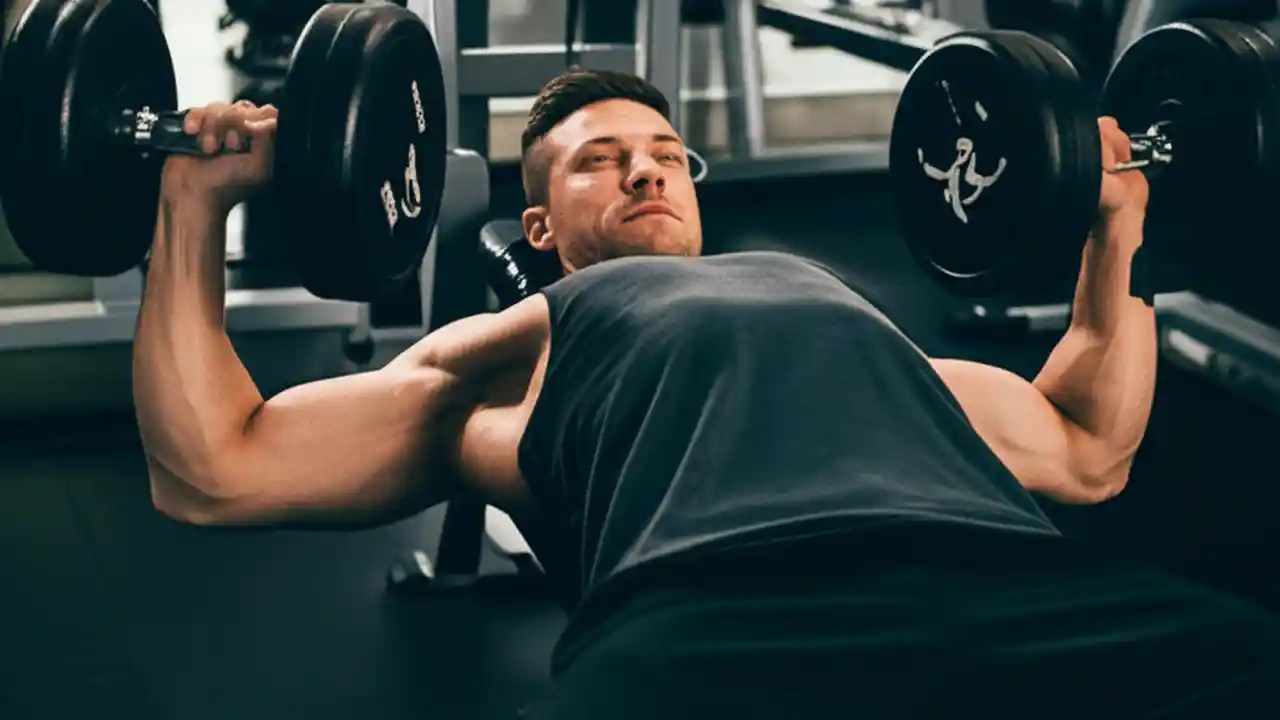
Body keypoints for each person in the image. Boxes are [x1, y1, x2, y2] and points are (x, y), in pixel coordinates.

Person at [134, 69, 1279, 718]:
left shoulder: (835, 309)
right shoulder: (519, 343)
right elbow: (217, 469)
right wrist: (192, 210)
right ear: (537, 228)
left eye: (667, 151)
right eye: (598, 159)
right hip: (714, 633)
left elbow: (1086, 444)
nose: (644, 167)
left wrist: (1116, 224)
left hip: (1015, 592)